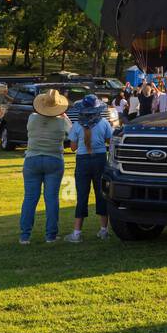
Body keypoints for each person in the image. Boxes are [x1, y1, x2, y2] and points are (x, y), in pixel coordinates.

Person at [20, 89, 71, 244]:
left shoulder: (32, 118)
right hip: (54, 159)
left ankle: (24, 236)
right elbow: (73, 132)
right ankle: (51, 235)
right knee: (51, 199)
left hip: (32, 159)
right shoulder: (62, 122)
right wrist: (64, 116)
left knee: (30, 198)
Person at [66, 95, 113, 243]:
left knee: (82, 196)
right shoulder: (104, 123)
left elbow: (73, 148)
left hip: (82, 161)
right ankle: (104, 230)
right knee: (101, 195)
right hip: (100, 160)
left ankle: (77, 232)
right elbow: (110, 141)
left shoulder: (76, 125)